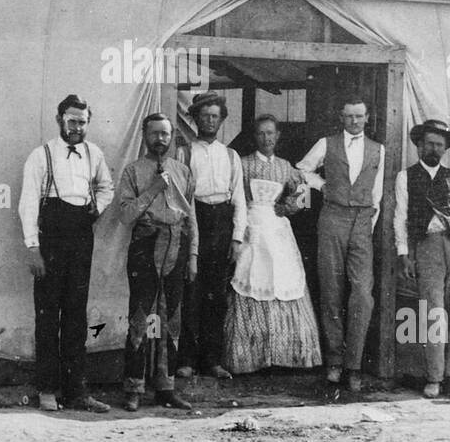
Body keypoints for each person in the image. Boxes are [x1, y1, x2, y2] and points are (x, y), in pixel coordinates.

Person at [18, 95, 115, 413]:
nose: (77, 127)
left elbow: (106, 188)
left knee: (76, 315)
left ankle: (77, 392)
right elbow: (29, 202)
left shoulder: (93, 153)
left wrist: (96, 208)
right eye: (72, 121)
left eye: (83, 122)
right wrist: (33, 248)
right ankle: (47, 389)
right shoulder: (41, 155)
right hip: (51, 240)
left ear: (88, 123)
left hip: (80, 237)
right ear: (60, 119)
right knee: (48, 316)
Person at [297, 97, 385, 392]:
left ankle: (354, 365)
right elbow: (302, 169)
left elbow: (377, 195)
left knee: (362, 294)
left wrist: (367, 226)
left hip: (361, 223)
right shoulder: (326, 143)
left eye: (359, 116)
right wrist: (322, 185)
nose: (354, 122)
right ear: (341, 117)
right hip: (332, 217)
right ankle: (334, 361)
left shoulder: (378, 150)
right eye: (349, 117)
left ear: (367, 117)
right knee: (331, 289)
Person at [223, 114, 322, 373]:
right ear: (254, 137)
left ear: (278, 136)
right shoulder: (243, 164)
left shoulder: (286, 166)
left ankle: (283, 356)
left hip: (277, 230)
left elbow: (304, 193)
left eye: (271, 133)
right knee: (253, 278)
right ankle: (251, 357)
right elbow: (234, 197)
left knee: (282, 279)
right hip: (251, 228)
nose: (266, 138)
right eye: (261, 134)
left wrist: (288, 207)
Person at [115, 112, 197, 412]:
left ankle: (166, 388)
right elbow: (125, 216)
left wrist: (193, 257)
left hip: (176, 246)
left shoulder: (184, 172)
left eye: (165, 134)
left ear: (172, 135)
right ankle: (134, 388)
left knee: (170, 321)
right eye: (154, 134)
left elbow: (192, 218)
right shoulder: (133, 172)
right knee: (141, 319)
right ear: (145, 136)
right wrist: (153, 190)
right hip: (144, 246)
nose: (160, 139)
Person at [392, 118, 450, 400]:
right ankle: (434, 378)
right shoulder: (406, 177)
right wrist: (404, 254)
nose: (434, 149)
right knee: (433, 313)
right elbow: (400, 218)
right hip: (426, 247)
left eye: (439, 145)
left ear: (445, 149)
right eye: (429, 143)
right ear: (419, 145)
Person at [175, 91, 246, 382]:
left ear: (221, 120)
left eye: (214, 116)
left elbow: (239, 196)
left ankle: (212, 361)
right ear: (195, 118)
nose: (209, 121)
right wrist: (191, 235)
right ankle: (188, 361)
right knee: (191, 293)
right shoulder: (184, 152)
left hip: (223, 223)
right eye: (204, 116)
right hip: (196, 219)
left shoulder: (230, 155)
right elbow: (183, 197)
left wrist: (237, 238)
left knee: (217, 296)